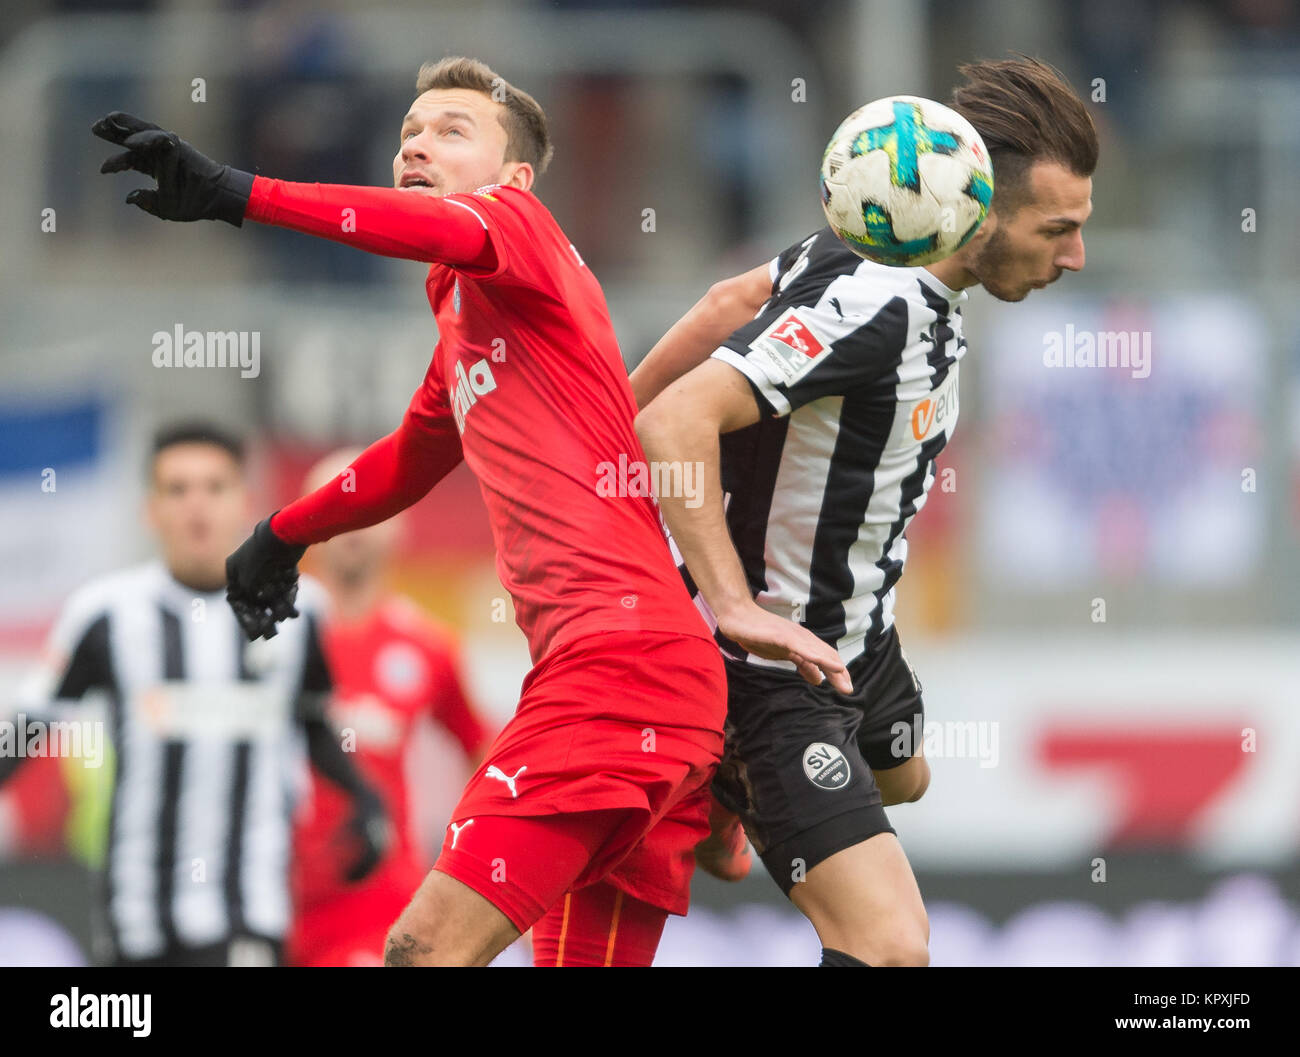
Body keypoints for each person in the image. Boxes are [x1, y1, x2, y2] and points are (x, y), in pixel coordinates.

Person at [92, 56, 795, 966]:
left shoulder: (517, 227)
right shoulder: (469, 313)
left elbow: (411, 224)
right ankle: (710, 791)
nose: (417, 144)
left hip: (612, 675)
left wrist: (238, 194)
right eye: (408, 134)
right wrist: (280, 534)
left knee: (423, 951)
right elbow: (404, 462)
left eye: (451, 130)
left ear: (516, 176)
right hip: (651, 674)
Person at [631, 57, 1098, 966]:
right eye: (1060, 230)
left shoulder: (871, 244)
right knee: (891, 947)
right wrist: (730, 603)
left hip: (858, 638)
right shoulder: (878, 305)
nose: (1076, 257)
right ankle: (730, 765)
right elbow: (675, 420)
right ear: (978, 210)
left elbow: (732, 299)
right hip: (772, 662)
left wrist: (609, 412)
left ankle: (726, 799)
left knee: (905, 776)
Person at [0, 423, 389, 967]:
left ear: (245, 502)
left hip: (248, 909)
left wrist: (363, 797)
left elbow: (312, 721)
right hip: (135, 914)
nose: (196, 506)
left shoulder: (299, 611)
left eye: (214, 487)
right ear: (150, 510)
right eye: (177, 490)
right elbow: (30, 725)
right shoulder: (106, 613)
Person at [286, 449, 489, 967]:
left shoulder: (426, 646)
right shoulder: (267, 640)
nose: (353, 519)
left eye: (370, 501)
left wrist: (475, 866)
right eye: (334, 499)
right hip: (264, 898)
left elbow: (488, 755)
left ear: (399, 522)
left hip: (374, 906)